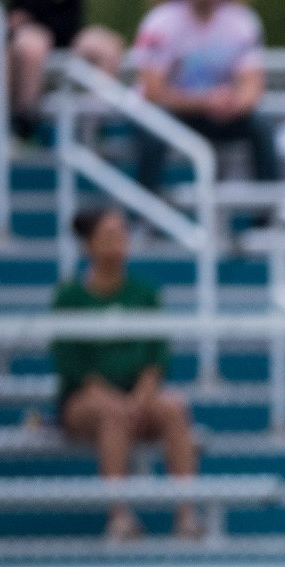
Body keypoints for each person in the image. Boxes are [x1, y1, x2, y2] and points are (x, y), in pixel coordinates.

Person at [51, 207, 201, 542]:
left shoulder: (145, 293)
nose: (118, 243)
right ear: (88, 245)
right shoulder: (69, 297)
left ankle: (187, 514)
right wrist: (114, 398)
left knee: (174, 407)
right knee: (111, 412)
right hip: (87, 401)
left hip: (138, 396)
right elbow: (71, 362)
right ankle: (118, 516)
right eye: (108, 236)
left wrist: (143, 394)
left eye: (122, 234)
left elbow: (157, 354)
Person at [131, 0, 279, 196]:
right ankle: (148, 215)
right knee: (153, 133)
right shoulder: (161, 22)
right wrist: (204, 102)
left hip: (215, 113)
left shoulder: (242, 22)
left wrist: (232, 103)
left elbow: (253, 86)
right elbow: (153, 92)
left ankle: (267, 220)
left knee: (261, 128)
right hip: (171, 113)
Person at [4, 0, 125, 142]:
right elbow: (19, 15)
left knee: (109, 46)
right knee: (32, 45)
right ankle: (25, 125)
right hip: (37, 38)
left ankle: (91, 127)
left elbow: (71, 17)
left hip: (68, 36)